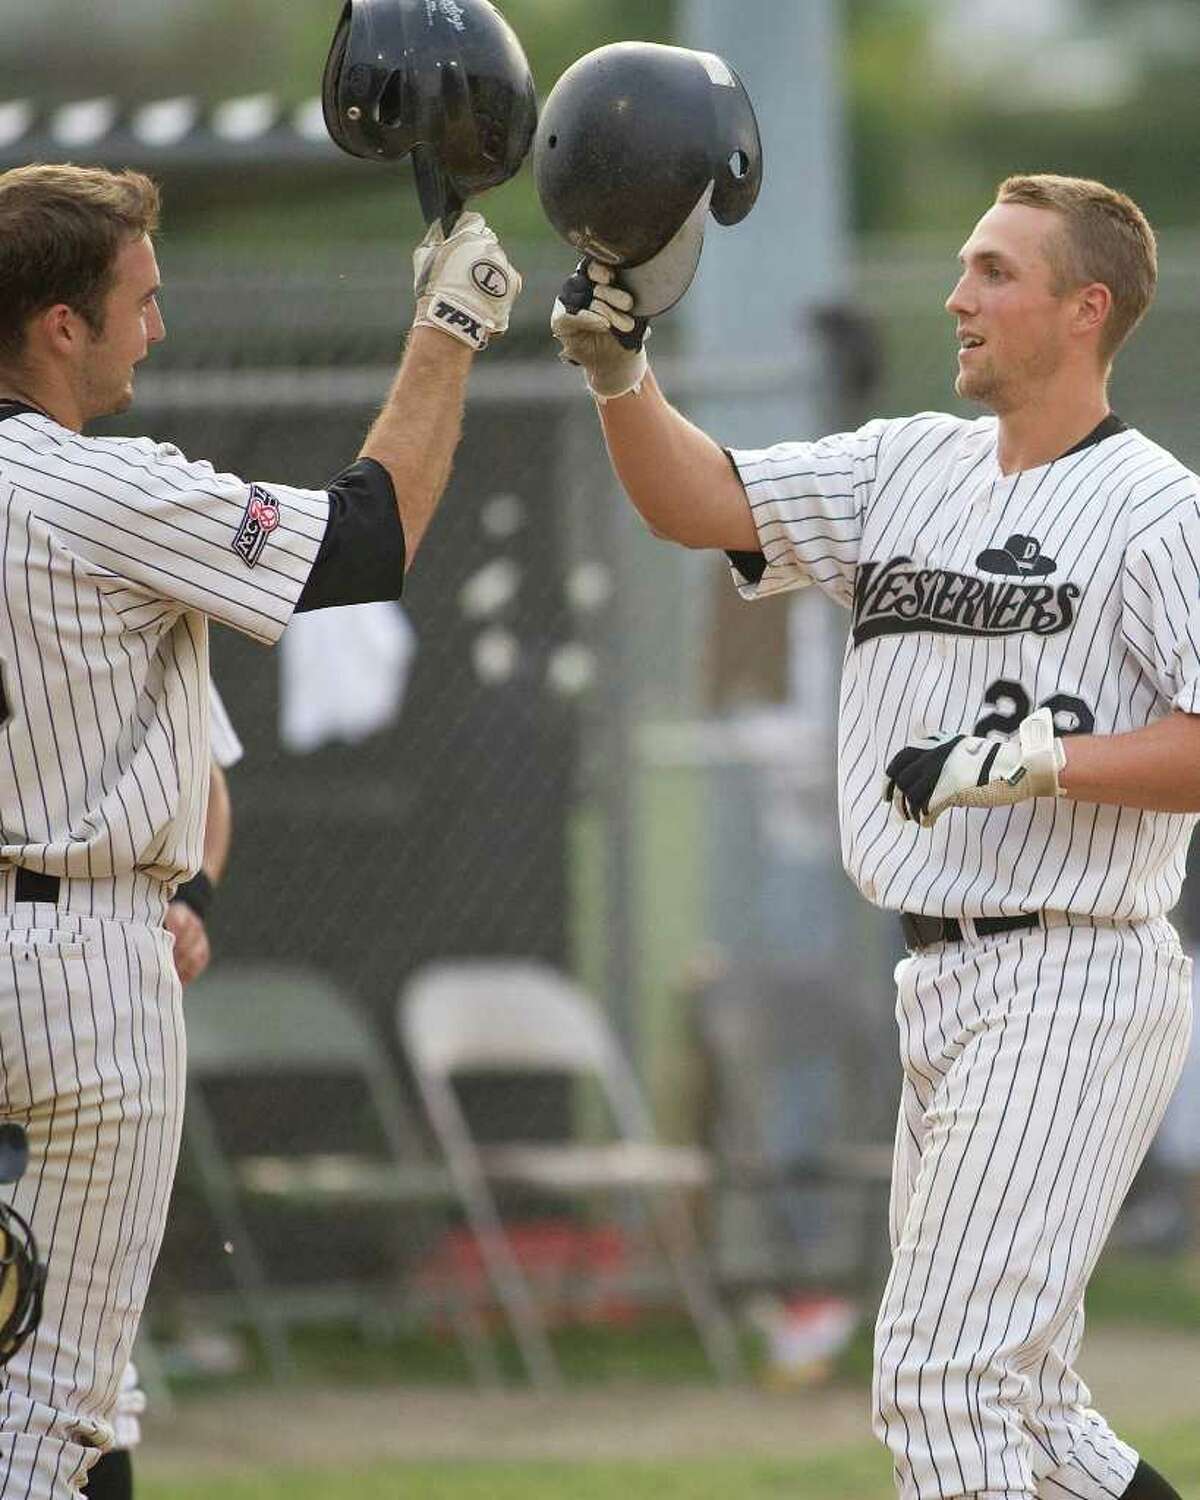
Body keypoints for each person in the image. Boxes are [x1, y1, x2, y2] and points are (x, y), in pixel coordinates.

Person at [552, 172, 1196, 1500]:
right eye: (963, 266)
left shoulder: (1158, 512)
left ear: (1087, 310)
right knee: (1028, 1407)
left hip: (1073, 973)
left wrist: (1034, 761)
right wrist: (622, 377)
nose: (958, 297)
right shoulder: (905, 465)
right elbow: (699, 502)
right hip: (940, 977)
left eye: (996, 273)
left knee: (942, 1380)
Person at [0, 161, 520, 1499]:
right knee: (56, 1411)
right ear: (58, 326)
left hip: (70, 937)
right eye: (137, 301)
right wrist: (449, 329)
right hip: (73, 966)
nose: (156, 327)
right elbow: (366, 539)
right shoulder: (96, 488)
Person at [83, 680, 241, 1500]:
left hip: (84, 978)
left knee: (80, 1364)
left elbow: (208, 780)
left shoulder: (146, 603)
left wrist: (190, 901)